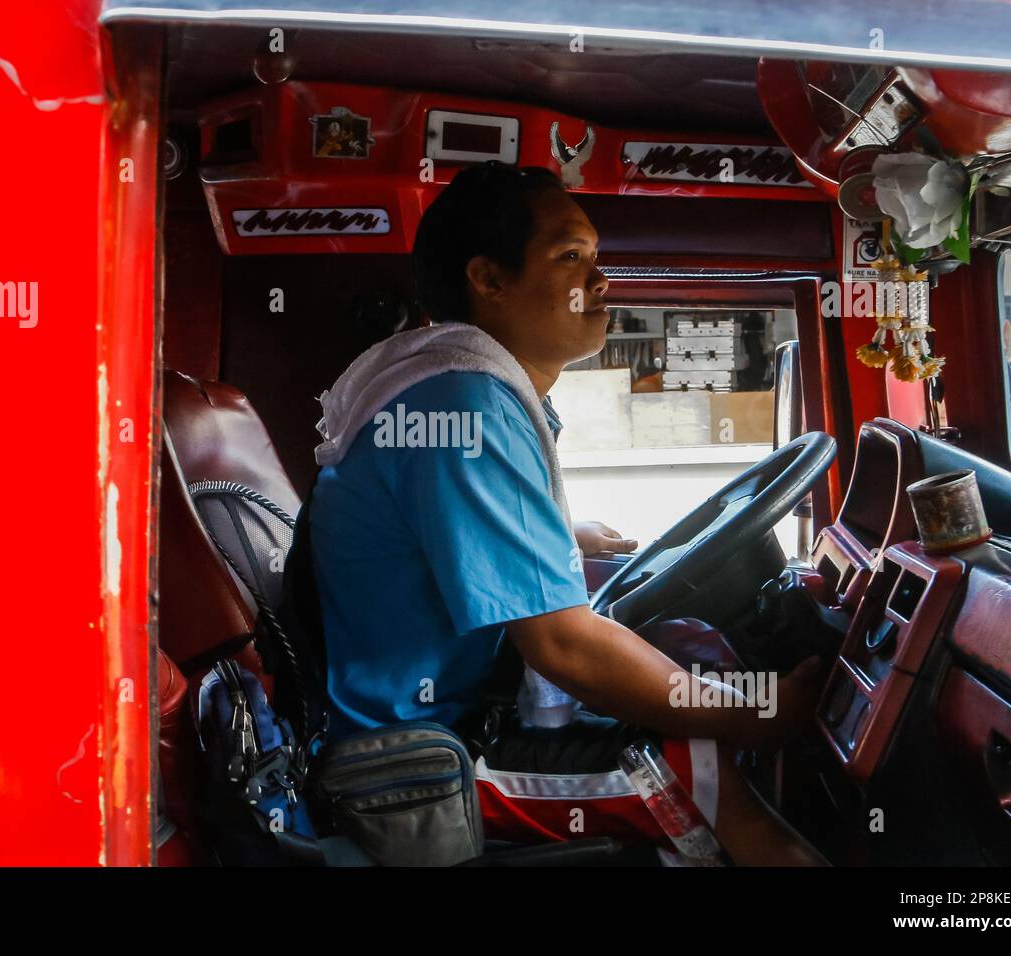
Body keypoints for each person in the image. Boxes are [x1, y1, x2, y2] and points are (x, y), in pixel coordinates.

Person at [308, 163, 825, 865]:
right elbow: (563, 646)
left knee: (690, 669)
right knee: (703, 770)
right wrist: (762, 715)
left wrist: (558, 538)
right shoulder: (463, 408)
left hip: (458, 712)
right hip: (420, 752)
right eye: (571, 256)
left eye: (596, 256)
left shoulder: (462, 391)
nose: (601, 279)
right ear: (488, 280)